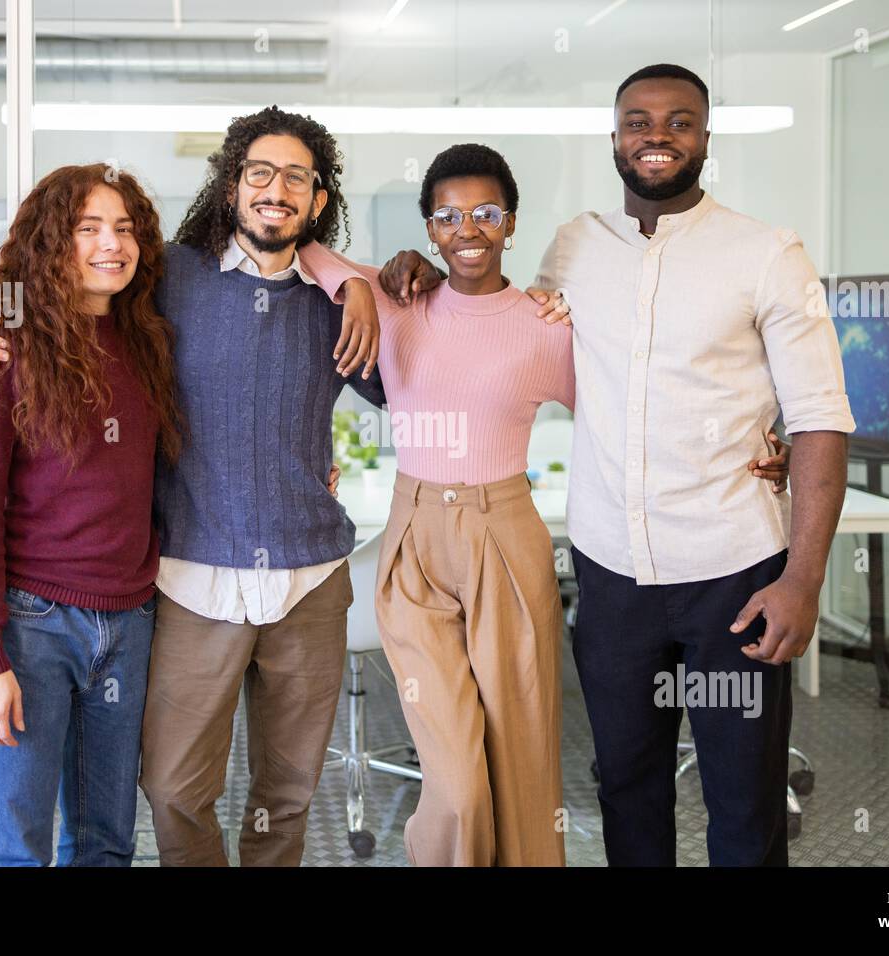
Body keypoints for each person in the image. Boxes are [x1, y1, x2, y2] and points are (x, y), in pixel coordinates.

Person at [379, 64, 853, 867]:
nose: (657, 136)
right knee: (627, 790)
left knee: (742, 801)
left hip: (731, 576)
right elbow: (499, 325)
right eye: (639, 121)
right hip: (612, 580)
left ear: (705, 137)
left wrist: (803, 578)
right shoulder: (574, 247)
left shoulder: (767, 254)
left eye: (678, 122)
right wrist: (417, 272)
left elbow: (819, 421)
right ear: (614, 138)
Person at [299, 143, 790, 866]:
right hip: (414, 547)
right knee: (460, 780)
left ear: (513, 223)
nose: (469, 229)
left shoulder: (549, 325)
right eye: (449, 216)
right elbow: (307, 251)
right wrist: (361, 288)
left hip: (507, 535)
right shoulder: (400, 300)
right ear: (430, 228)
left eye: (486, 213)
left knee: (524, 758)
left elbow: (644, 398)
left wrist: (759, 437)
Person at [0, 107, 381, 867]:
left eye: (297, 178)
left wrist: (373, 283)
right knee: (161, 791)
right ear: (229, 186)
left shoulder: (330, 300)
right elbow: (47, 296)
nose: (275, 189)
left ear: (319, 201)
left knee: (238, 807)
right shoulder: (168, 282)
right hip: (156, 589)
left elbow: (416, 364)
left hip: (253, 588)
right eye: (258, 172)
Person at [0, 164, 184, 866]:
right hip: (31, 624)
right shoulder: (3, 345)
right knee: (16, 844)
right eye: (89, 228)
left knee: (105, 840)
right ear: (52, 240)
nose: (112, 243)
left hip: (129, 624)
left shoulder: (147, 337)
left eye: (126, 228)